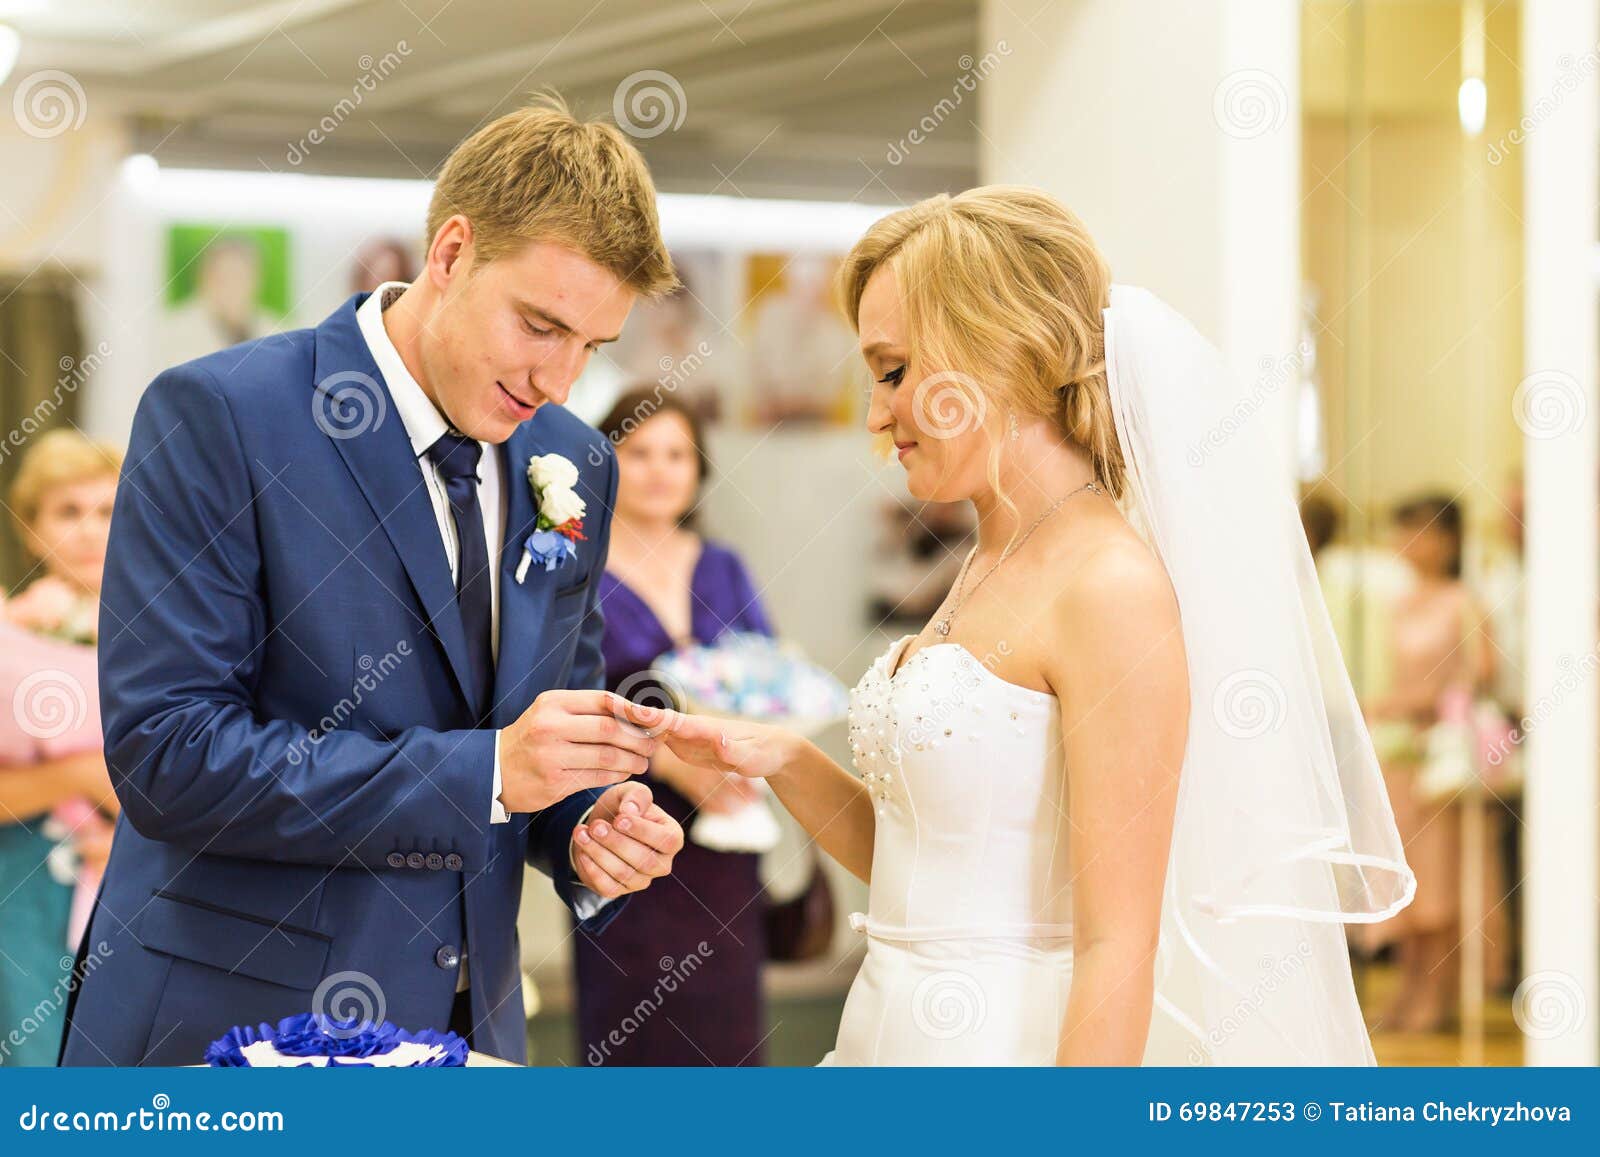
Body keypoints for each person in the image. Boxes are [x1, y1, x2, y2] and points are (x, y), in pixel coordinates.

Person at [646, 187, 1414, 1065]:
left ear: (1002, 352)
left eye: (894, 372)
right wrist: (782, 756)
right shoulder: (985, 559)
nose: (874, 416)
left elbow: (1118, 944)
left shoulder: (1109, 586)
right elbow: (922, 868)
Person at [59, 95, 686, 1067]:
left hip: (475, 1027)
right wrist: (485, 773)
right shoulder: (224, 414)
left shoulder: (569, 460)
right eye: (538, 324)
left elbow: (538, 726)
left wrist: (582, 820)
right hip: (238, 1025)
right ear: (449, 254)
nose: (559, 380)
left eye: (592, 348)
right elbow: (168, 757)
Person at [573, 387, 774, 1066]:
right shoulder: (576, 572)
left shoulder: (723, 565)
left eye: (678, 454)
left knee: (727, 1026)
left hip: (726, 837)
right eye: (640, 451)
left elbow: (771, 677)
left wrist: (743, 754)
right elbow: (561, 697)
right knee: (636, 1027)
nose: (660, 469)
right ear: (604, 460)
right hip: (625, 826)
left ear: (698, 469)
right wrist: (668, 761)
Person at [0, 430, 121, 1066]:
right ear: (30, 528)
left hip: (137, 886)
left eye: (107, 511)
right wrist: (81, 773)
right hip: (24, 888)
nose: (89, 530)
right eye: (67, 512)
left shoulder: (178, 634)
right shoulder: (9, 636)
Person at [1366, 495, 1499, 1032]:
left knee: (1441, 879)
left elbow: (1481, 674)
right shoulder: (1397, 603)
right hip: (1400, 756)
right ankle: (1408, 984)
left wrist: (1415, 703)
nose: (1408, 544)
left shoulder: (1463, 601)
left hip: (1440, 758)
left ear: (1446, 540)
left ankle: (1436, 993)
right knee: (1409, 875)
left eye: (1418, 532)